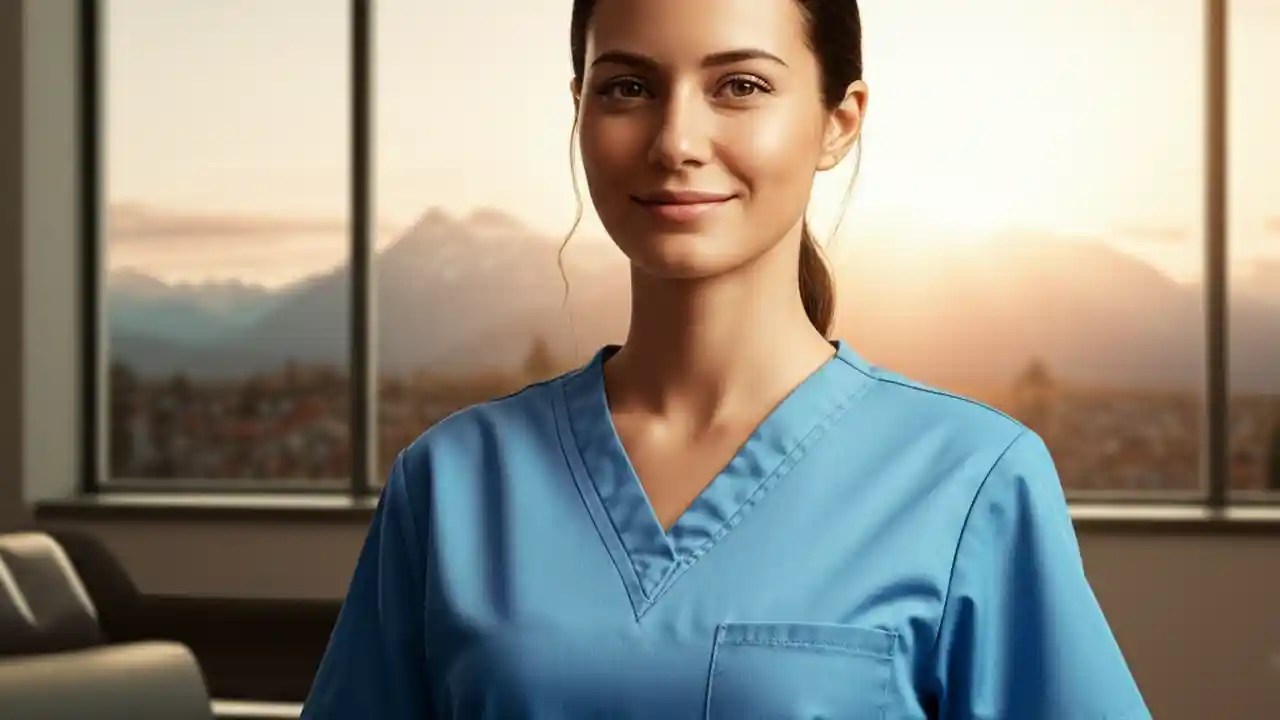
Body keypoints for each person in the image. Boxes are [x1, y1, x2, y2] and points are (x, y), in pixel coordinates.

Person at [301, 0, 1152, 717]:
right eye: (628, 87)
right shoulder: (450, 482)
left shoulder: (971, 481)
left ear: (838, 121)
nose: (676, 140)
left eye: (739, 86)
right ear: (581, 111)